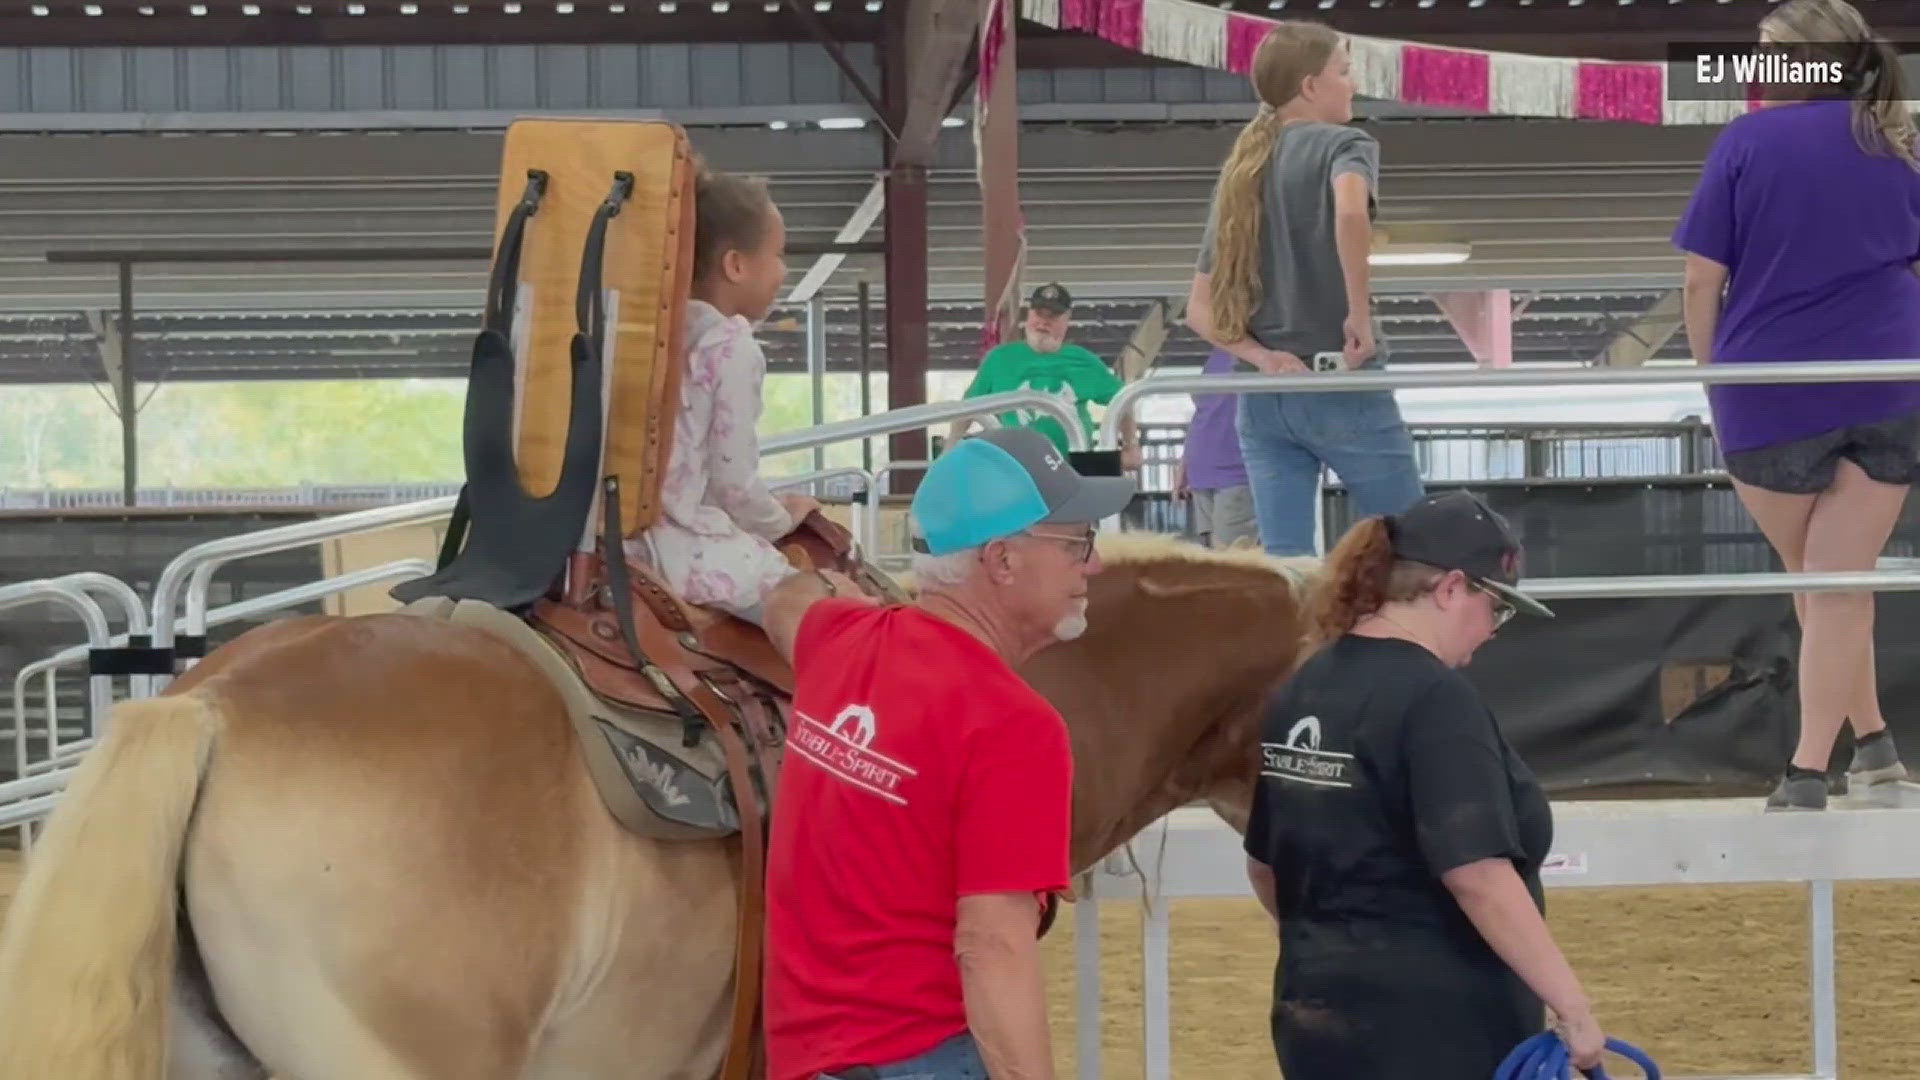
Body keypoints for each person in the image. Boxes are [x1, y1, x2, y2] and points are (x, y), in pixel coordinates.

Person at [758, 426, 1137, 1080]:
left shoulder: (837, 637)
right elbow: (992, 946)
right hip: (920, 1058)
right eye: (1078, 543)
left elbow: (784, 603)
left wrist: (814, 559)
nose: (1094, 565)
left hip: (807, 1060)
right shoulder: (1014, 725)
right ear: (1001, 561)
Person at [1243, 490, 1607, 1079]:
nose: (1493, 630)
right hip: (1436, 1028)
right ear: (1450, 589)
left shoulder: (1308, 684)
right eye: (1496, 607)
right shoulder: (1436, 699)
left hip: (1313, 1015)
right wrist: (1573, 1006)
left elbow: (1265, 864)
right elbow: (1478, 874)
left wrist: (1333, 956)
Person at [1672, 0, 1919, 810]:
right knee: (1836, 583)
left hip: (1770, 392)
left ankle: (1808, 770)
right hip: (1889, 379)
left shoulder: (1745, 142)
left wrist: (1716, 384)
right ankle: (1874, 748)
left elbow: (1701, 281)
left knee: (1821, 584)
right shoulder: (1894, 141)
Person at [1184, 21, 1425, 557]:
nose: (1353, 84)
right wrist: (1358, 314)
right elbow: (1348, 210)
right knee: (1413, 543)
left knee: (1286, 561)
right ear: (1311, 86)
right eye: (1344, 71)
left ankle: (1296, 641)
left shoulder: (1240, 173)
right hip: (1341, 379)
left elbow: (1199, 311)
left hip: (1265, 396)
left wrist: (1262, 358)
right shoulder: (1347, 143)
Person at [627, 167, 820, 626]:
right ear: (735, 266)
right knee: (830, 612)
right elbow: (734, 485)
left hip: (619, 544)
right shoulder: (731, 347)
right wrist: (780, 519)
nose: (784, 270)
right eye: (778, 254)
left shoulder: (644, 336)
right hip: (684, 551)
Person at [948, 282, 1141, 470]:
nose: (1043, 322)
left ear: (1066, 320)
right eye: (1039, 313)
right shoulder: (1000, 359)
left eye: (1053, 316)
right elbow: (968, 408)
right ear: (1029, 314)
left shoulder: (1084, 361)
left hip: (1074, 466)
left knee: (1109, 478)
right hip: (1017, 466)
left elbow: (1123, 399)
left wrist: (1131, 446)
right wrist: (948, 453)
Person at [1175, 346, 1258, 549]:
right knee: (1212, 557)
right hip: (1202, 471)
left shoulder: (1261, 351)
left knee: (1231, 558)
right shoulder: (1218, 354)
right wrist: (1184, 464)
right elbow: (1205, 410)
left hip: (1237, 472)